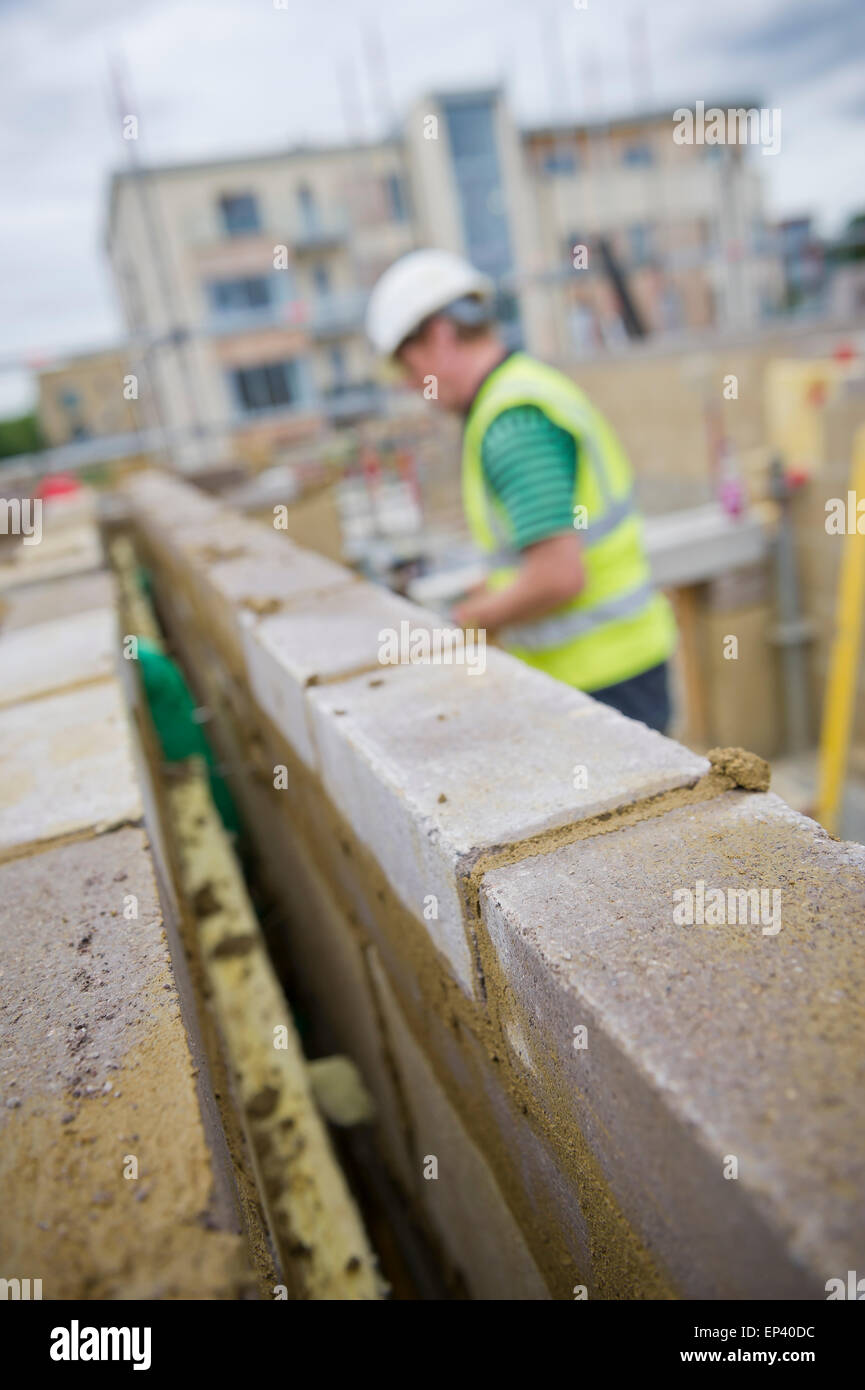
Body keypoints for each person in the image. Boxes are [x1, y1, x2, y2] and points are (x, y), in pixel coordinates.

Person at [365, 249, 677, 732]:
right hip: (617, 671)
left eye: (408, 367)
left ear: (440, 336)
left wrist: (467, 618)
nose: (411, 385)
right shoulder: (520, 390)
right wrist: (497, 589)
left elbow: (558, 575)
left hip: (603, 683)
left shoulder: (511, 422)